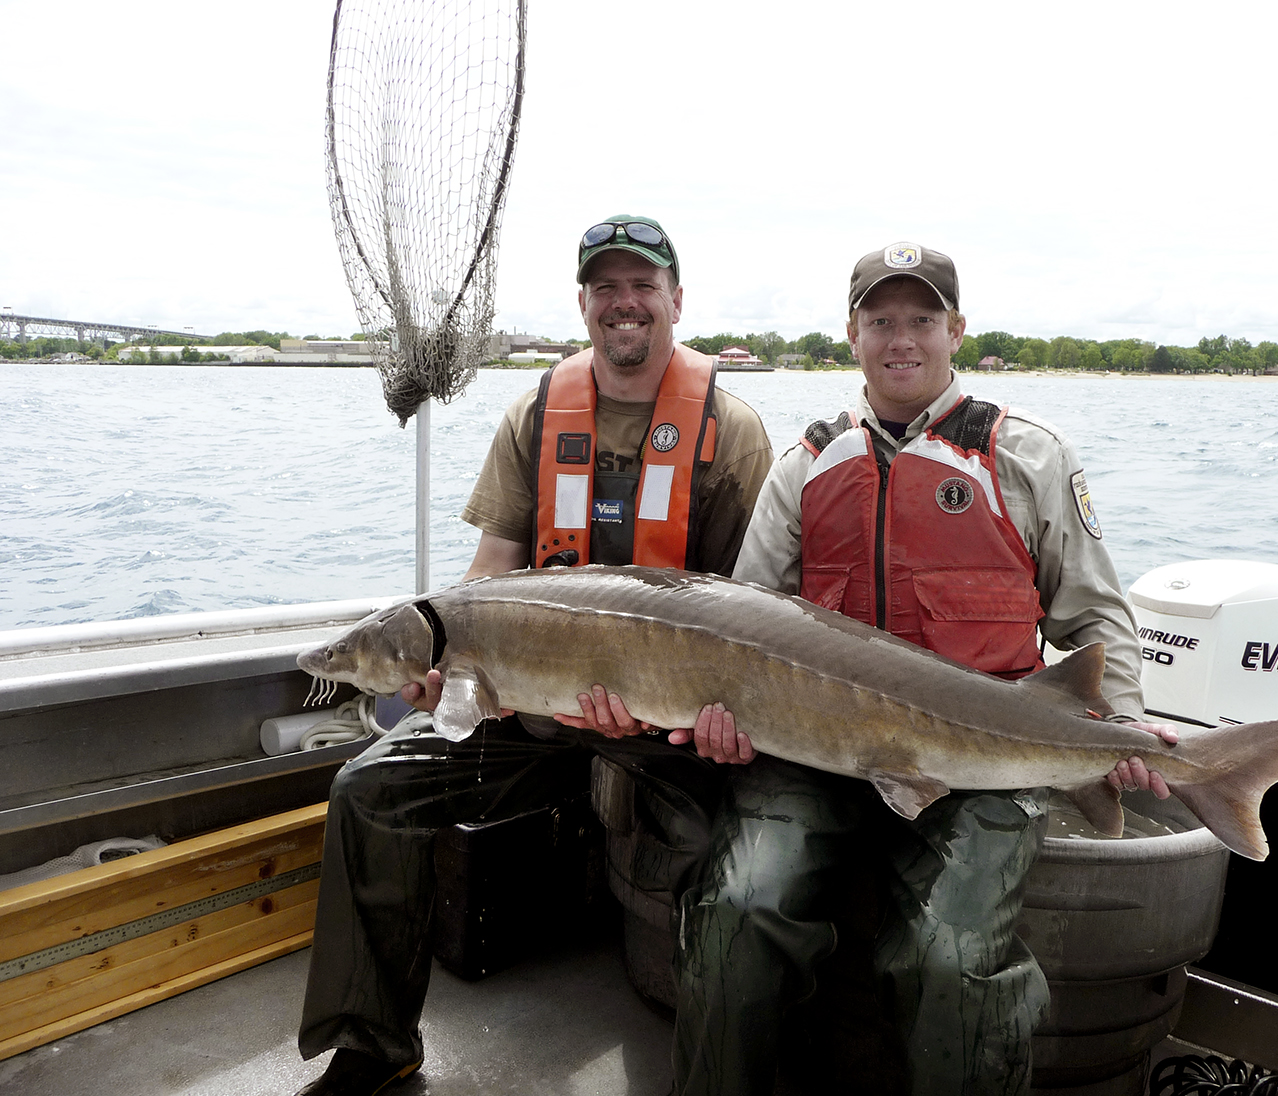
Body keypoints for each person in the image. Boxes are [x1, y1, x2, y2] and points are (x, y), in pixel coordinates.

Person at [670, 241, 1175, 1096]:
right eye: (880, 321)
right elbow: (738, 627)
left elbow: (1095, 618)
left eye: (921, 319)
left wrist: (1117, 723)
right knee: (739, 911)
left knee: (950, 956)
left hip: (985, 763)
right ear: (852, 334)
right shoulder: (806, 465)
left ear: (956, 331)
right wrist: (717, 720)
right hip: (815, 759)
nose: (900, 339)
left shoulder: (1029, 457)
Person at [293, 215, 773, 1096]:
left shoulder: (730, 430)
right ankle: (374, 1045)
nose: (624, 304)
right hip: (533, 712)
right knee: (368, 790)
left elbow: (755, 617)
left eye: (642, 287)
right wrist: (445, 673)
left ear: (676, 300)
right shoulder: (536, 412)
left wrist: (694, 720)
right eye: (606, 288)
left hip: (671, 729)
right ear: (584, 302)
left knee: (748, 876)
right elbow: (488, 578)